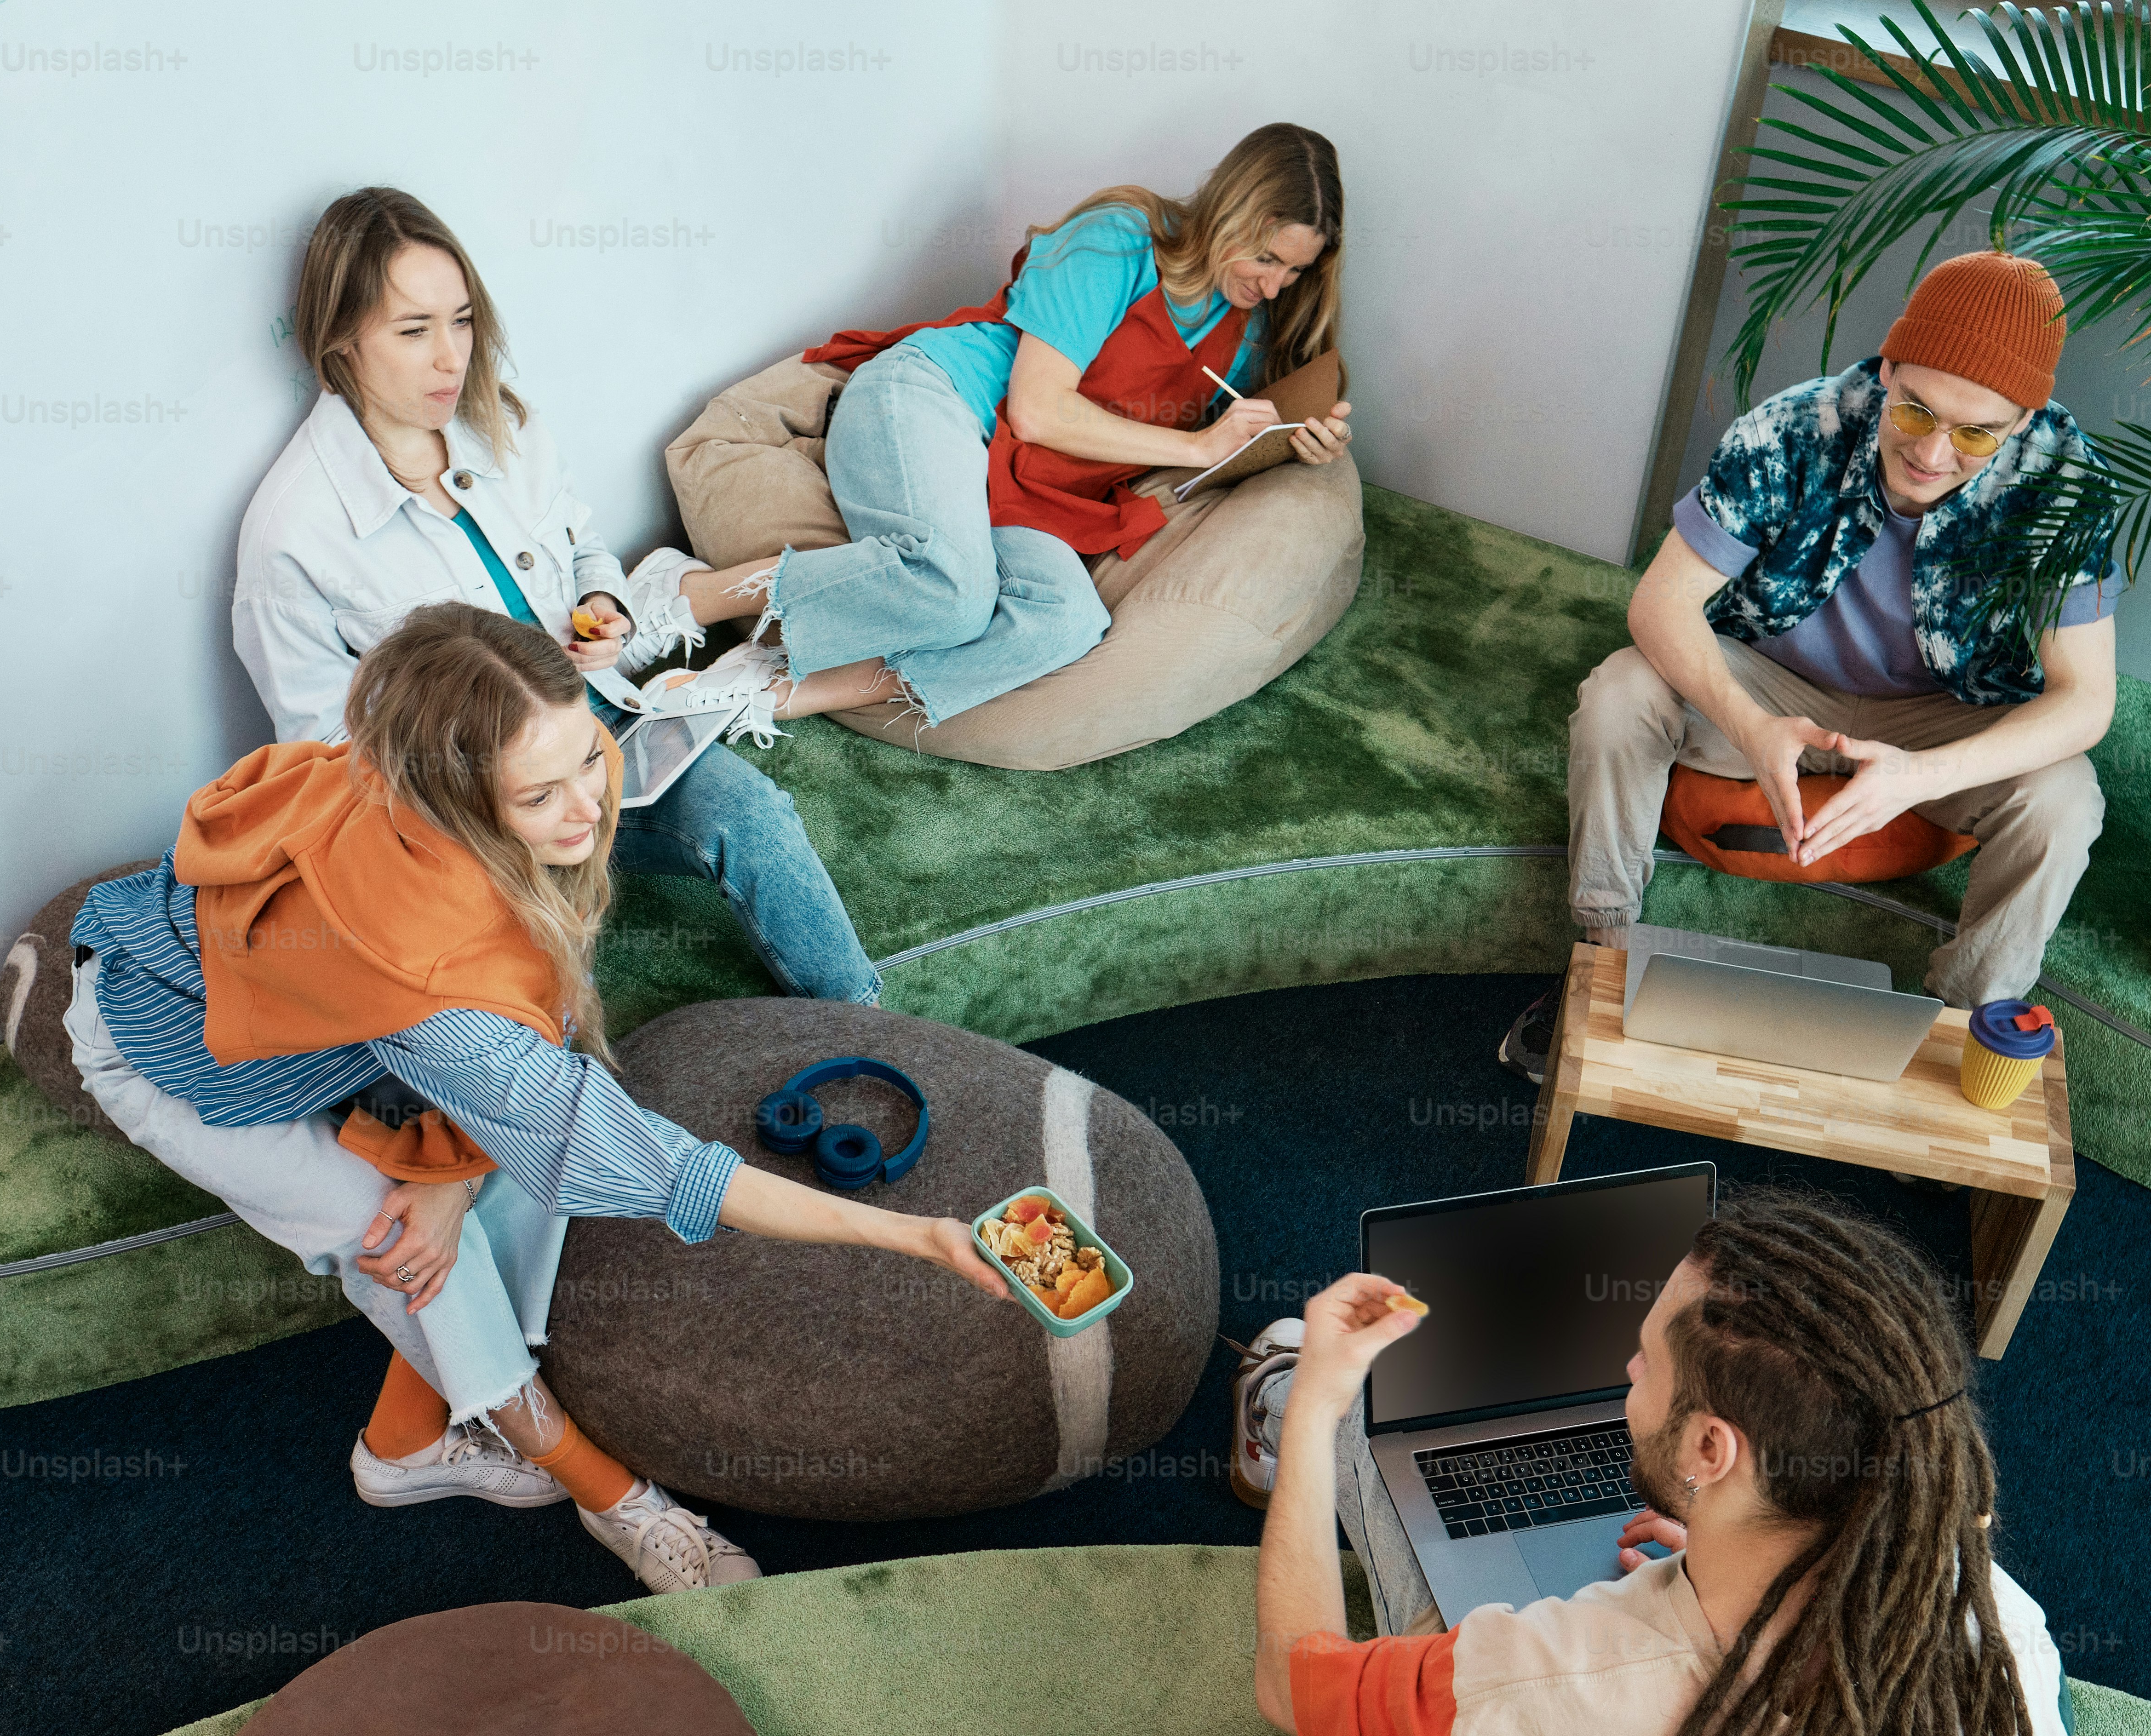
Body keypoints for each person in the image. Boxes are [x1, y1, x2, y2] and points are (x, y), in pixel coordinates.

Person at [69, 603, 1010, 1590]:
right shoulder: (427, 987)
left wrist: (455, 1160)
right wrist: (916, 1237)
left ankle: (399, 1448)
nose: (589, 810)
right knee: (398, 1246)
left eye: (588, 764)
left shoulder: (456, 764)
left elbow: (533, 1004)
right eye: (539, 797)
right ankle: (611, 1496)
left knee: (490, 1169)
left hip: (337, 1023)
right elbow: (663, 1165)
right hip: (176, 1057)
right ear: (451, 800)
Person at [1246, 1189, 2075, 1736]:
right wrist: (1738, 1541)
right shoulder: (2014, 1656)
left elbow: (1288, 1684)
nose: (1628, 1370)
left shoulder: (1509, 1703)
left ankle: (1277, 1403)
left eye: (1645, 1356)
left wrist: (1321, 1402)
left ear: (1711, 1449)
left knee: (1356, 1428)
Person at [231, 187, 881, 1007]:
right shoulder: (292, 533)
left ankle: (871, 1027)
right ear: (339, 341)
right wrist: (490, 786)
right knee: (529, 987)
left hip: (598, 729)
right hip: (473, 803)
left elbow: (583, 545)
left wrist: (604, 606)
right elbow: (322, 756)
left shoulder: (503, 424)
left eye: (462, 320)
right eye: (413, 330)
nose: (451, 357)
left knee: (751, 812)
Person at [1509, 250, 2122, 1077]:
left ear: (2023, 421)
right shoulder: (1798, 427)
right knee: (1620, 692)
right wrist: (1750, 725)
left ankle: (1960, 1033)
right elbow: (1659, 604)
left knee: (2066, 798)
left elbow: (2086, 703)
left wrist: (1917, 776)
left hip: (1943, 717)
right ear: (1890, 367)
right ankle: (1601, 959)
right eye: (1914, 412)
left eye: (1976, 432)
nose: (1935, 454)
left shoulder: (2065, 483)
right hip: (1773, 680)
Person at [642, 123, 1358, 736]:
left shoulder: (1247, 331)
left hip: (1025, 486)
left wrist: (1294, 444)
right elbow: (1039, 411)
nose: (1273, 286)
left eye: (1294, 272)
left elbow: (1217, 443)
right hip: (934, 399)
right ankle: (689, 594)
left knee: (1069, 621)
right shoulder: (1118, 242)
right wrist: (1197, 445)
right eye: (1266, 258)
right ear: (1230, 210)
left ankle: (775, 688)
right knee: (952, 590)